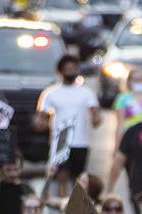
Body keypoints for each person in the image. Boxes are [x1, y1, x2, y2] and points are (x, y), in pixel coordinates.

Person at [35, 54, 101, 183]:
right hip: (60, 141)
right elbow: (41, 117)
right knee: (61, 176)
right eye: (67, 69)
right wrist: (40, 123)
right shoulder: (50, 93)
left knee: (78, 178)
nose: (70, 72)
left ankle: (76, 196)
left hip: (80, 141)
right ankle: (62, 196)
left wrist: (96, 119)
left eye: (73, 69)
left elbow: (96, 115)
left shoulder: (87, 93)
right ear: (60, 71)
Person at [113, 66, 142, 137]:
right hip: (129, 137)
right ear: (129, 81)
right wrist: (118, 143)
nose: (138, 82)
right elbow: (120, 124)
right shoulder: (122, 98)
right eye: (135, 79)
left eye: (141, 79)